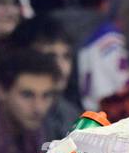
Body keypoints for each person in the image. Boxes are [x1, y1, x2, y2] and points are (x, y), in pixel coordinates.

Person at [9, 12, 82, 142]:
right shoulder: (6, 113)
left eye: (66, 56)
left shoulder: (71, 114)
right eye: (50, 56)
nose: (62, 67)